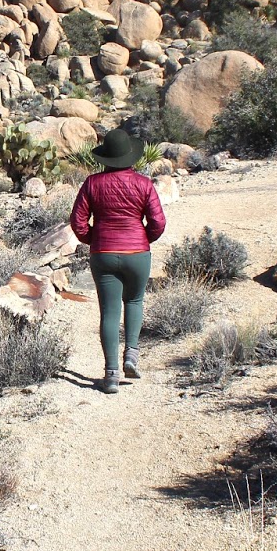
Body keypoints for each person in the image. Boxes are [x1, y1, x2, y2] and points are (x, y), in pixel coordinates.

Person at [69, 127, 166, 394]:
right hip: (138, 253)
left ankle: (111, 375)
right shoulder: (144, 184)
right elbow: (158, 221)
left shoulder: (92, 184)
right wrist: (143, 239)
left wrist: (93, 239)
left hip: (103, 253)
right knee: (134, 301)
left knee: (109, 312)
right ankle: (131, 356)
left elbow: (77, 221)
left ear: (106, 158)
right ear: (130, 156)